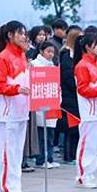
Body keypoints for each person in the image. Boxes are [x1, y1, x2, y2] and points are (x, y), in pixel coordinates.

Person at [0, 20, 31, 192]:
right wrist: (17, 89)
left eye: (24, 33)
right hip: (7, 113)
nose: (24, 36)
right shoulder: (3, 57)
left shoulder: (22, 56)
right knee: (7, 152)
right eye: (20, 33)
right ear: (10, 35)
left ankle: (16, 186)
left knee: (16, 152)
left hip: (21, 111)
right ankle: (7, 188)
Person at [74, 33, 97, 188]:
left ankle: (91, 173)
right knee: (88, 144)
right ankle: (83, 175)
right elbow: (82, 89)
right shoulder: (82, 65)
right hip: (89, 111)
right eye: (96, 44)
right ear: (87, 46)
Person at [31, 41, 60, 169]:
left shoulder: (53, 66)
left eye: (52, 52)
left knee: (50, 133)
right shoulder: (34, 65)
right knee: (42, 134)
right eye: (48, 51)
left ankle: (49, 158)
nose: (51, 54)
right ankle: (41, 159)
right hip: (39, 103)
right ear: (41, 51)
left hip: (51, 103)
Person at [59, 26, 82, 163]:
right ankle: (69, 155)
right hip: (70, 96)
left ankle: (74, 153)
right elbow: (67, 76)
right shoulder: (67, 55)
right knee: (71, 127)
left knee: (77, 126)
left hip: (76, 96)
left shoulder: (76, 54)